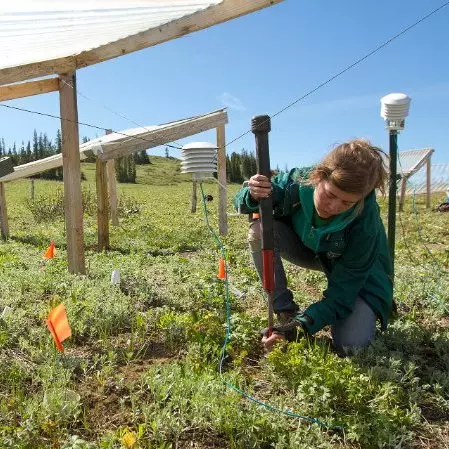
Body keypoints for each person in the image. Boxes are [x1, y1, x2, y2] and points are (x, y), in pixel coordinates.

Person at [234, 139, 393, 354]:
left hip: (358, 273)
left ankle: (370, 310)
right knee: (260, 231)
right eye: (330, 194)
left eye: (347, 203)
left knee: (351, 344)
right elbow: (243, 203)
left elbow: (341, 295)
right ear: (318, 177)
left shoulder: (365, 225)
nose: (335, 207)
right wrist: (253, 193)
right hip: (316, 251)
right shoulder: (296, 183)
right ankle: (285, 311)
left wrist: (301, 327)